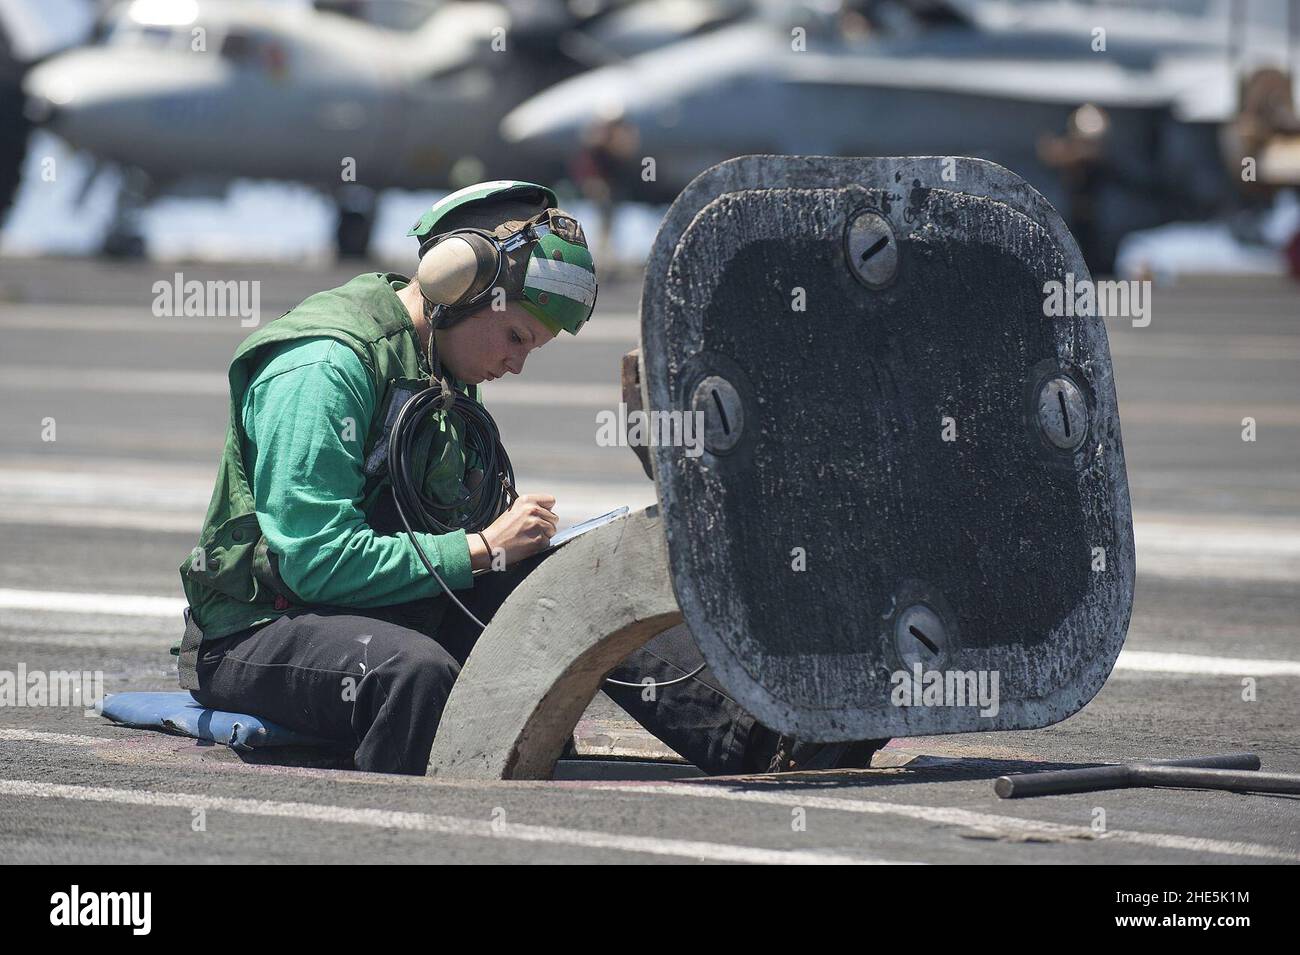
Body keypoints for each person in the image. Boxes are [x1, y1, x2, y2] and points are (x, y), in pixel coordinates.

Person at [177, 180, 883, 775]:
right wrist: (483, 549)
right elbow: (313, 560)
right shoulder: (326, 366)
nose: (516, 362)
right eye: (516, 335)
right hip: (262, 626)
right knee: (414, 676)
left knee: (579, 582)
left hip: (381, 602)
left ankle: (769, 736)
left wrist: (517, 552)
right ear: (459, 283)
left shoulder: (439, 368)